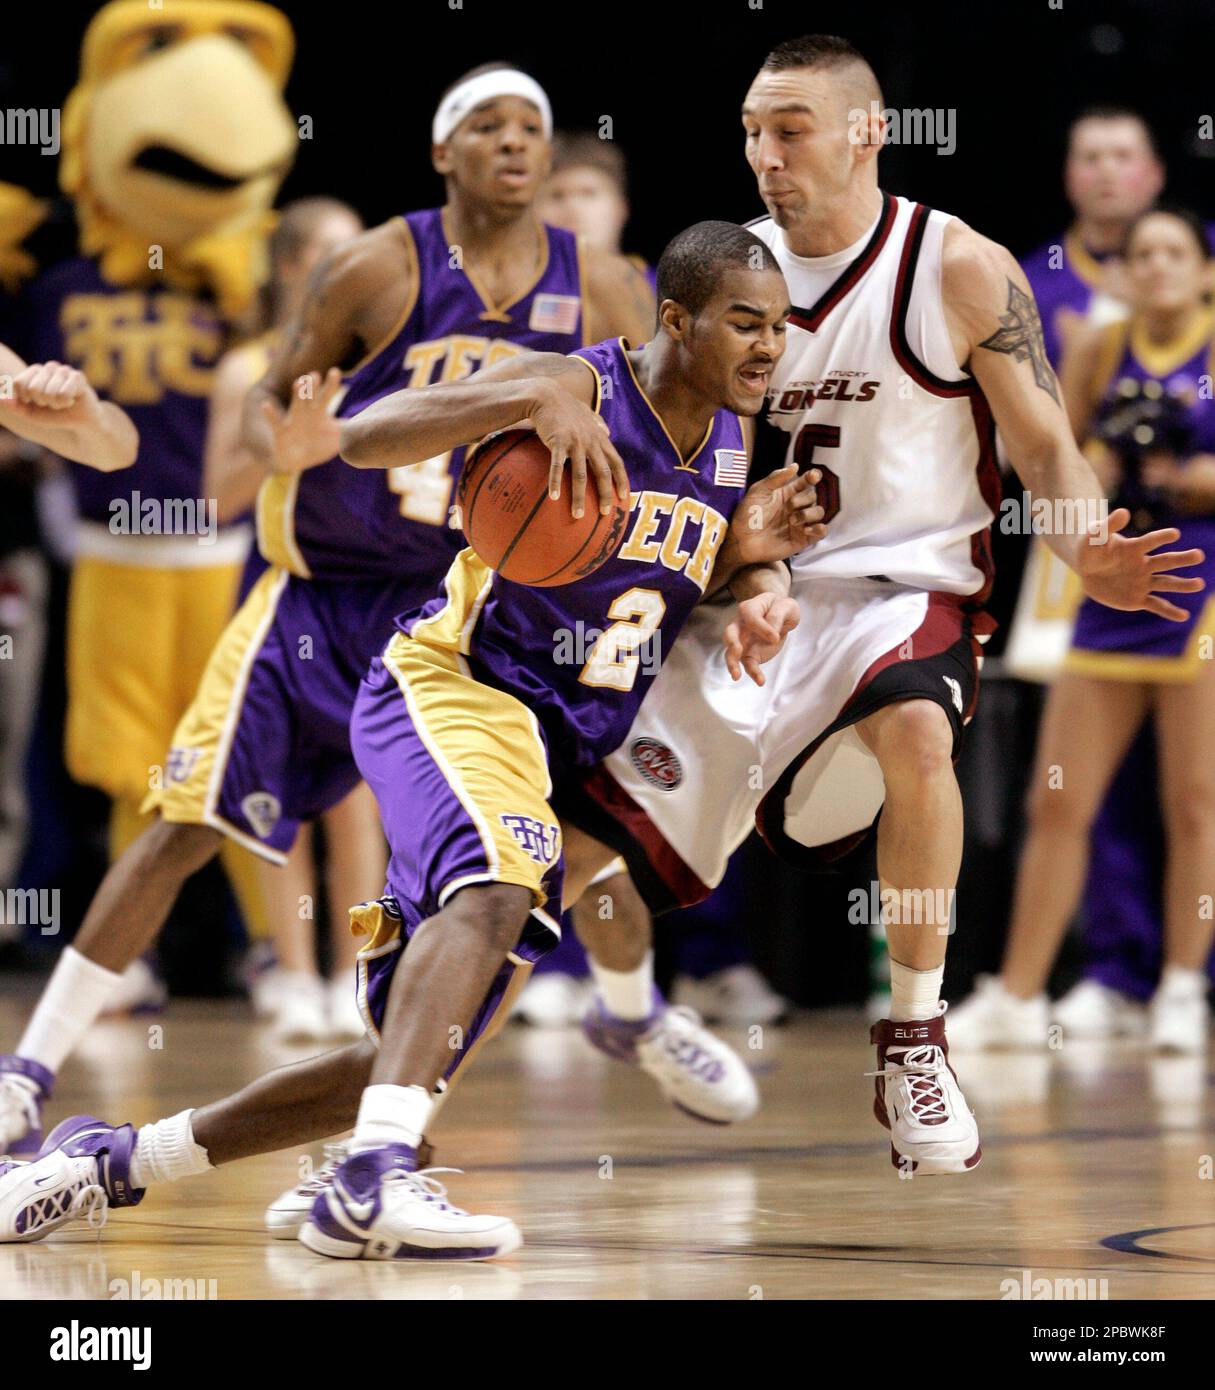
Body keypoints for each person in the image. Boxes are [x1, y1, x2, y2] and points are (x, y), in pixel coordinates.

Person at [0, 222, 820, 1256]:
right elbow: (378, 428)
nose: (766, 345)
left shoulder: (739, 443)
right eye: (745, 321)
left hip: (562, 737)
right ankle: (375, 1176)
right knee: (491, 894)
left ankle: (110, 1161)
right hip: (456, 685)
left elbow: (662, 574)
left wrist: (752, 581)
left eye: (780, 327)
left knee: (405, 1050)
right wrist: (525, 396)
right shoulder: (580, 378)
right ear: (676, 317)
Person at [553, 35, 1204, 1178]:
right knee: (568, 861)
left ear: (869, 131)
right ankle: (413, 1103)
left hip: (910, 591)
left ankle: (913, 1039)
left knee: (914, 725)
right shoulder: (721, 270)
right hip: (748, 601)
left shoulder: (959, 267)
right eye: (752, 128)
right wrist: (728, 557)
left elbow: (1047, 447)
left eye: (790, 127)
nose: (765, 152)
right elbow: (670, 457)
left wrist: (1083, 544)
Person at [0, 61, 656, 1158]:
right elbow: (266, 407)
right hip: (321, 596)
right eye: (486, 126)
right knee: (186, 821)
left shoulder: (607, 288)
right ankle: (25, 1073)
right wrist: (289, 445)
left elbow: (652, 435)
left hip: (463, 620)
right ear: (443, 152)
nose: (513, 144)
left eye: (531, 128)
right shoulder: (377, 265)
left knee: (499, 863)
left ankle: (513, 1069)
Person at [948, 208, 1215, 1054]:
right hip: (1111, 585)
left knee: (1194, 802)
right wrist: (1110, 464)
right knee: (1056, 799)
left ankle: (1179, 986)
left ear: (1204, 271)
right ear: (1125, 272)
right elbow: (1063, 451)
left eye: (1175, 253)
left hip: (1201, 588)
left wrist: (1196, 475)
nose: (1158, 267)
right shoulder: (1100, 347)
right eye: (1143, 255)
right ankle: (1019, 993)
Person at [1010, 107, 1174, 1037]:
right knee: (1090, 776)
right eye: (1089, 157)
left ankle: (1187, 976)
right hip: (1085, 547)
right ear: (1070, 175)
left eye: (1123, 156)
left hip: (1196, 549)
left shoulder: (1195, 264)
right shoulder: (1032, 283)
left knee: (1193, 783)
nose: (1106, 173)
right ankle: (1112, 967)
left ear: (1152, 172)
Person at [203, 196, 380, 1043]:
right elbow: (216, 497)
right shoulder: (247, 369)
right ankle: (290, 970)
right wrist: (284, 442)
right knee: (274, 789)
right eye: (331, 253)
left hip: (359, 591)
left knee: (357, 798)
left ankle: (357, 971)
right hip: (276, 589)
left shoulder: (385, 363)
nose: (351, 269)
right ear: (288, 267)